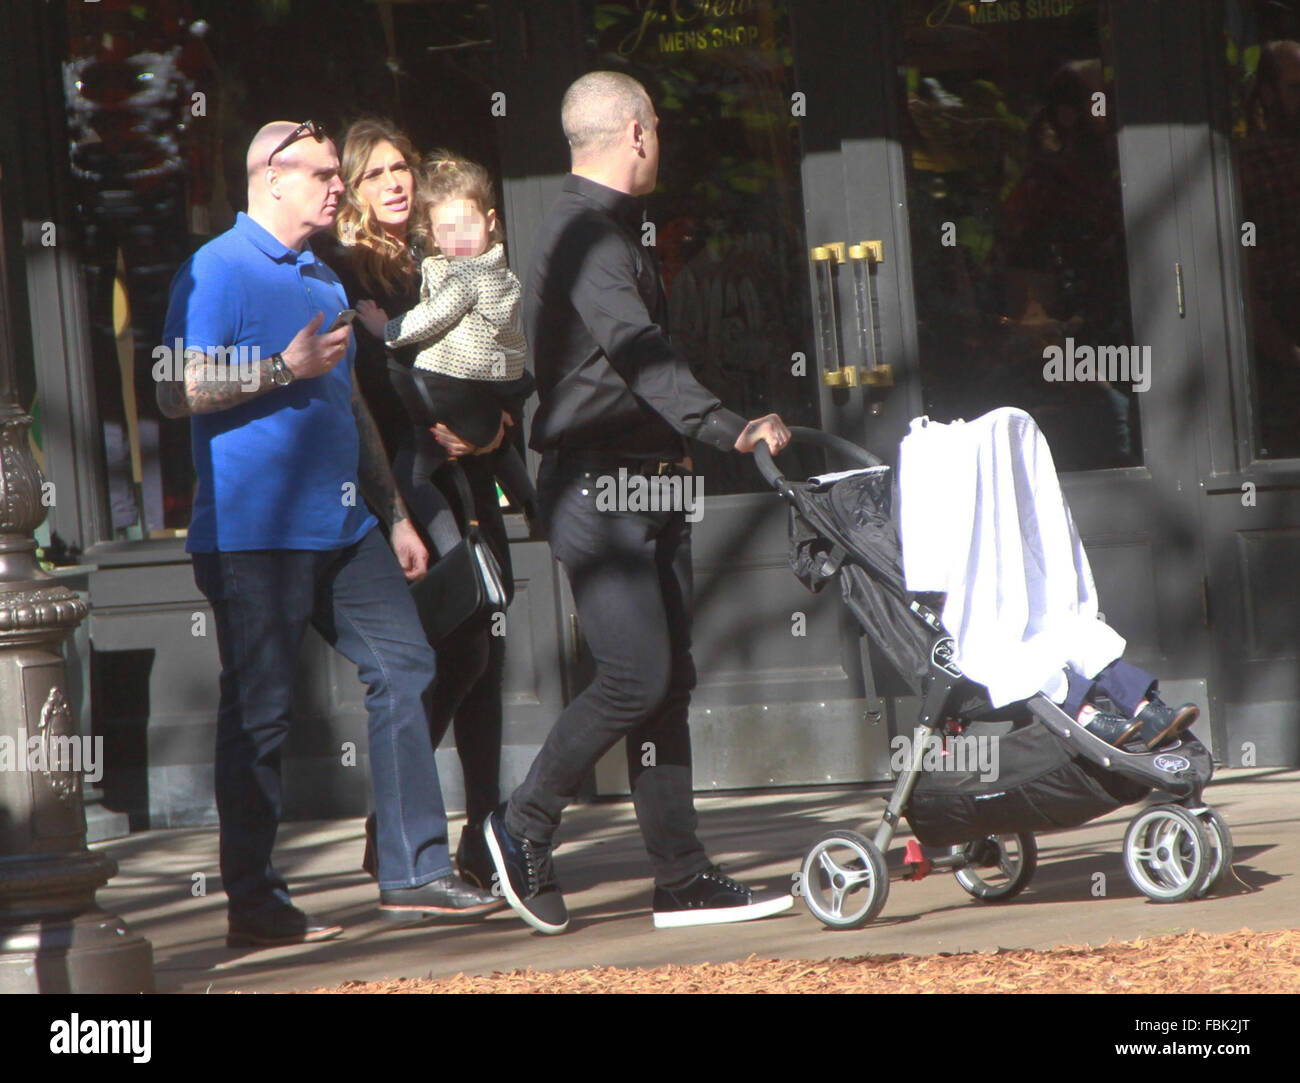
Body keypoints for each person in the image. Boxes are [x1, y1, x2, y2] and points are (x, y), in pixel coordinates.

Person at [158, 120, 498, 948]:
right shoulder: (217, 268)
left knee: (408, 663)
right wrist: (282, 367)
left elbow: (349, 406)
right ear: (271, 178)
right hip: (253, 536)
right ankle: (255, 903)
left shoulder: (320, 273)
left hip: (346, 528)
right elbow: (175, 389)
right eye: (320, 174)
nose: (336, 185)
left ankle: (413, 871)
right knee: (263, 712)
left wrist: (395, 516)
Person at [481, 71, 796, 934]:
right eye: (656, 124)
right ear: (636, 132)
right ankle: (523, 821)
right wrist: (727, 426)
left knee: (668, 683)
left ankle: (682, 874)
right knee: (635, 674)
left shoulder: (605, 231)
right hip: (599, 484)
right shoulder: (585, 236)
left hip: (647, 479)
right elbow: (639, 354)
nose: (661, 139)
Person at [322, 123, 528, 889]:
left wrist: (497, 422)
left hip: (471, 471)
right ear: (353, 187)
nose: (396, 182)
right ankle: (401, 821)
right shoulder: (344, 269)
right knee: (458, 643)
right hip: (410, 477)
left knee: (490, 646)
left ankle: (484, 830)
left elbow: (499, 347)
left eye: (402, 166)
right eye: (376, 174)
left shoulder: (442, 253)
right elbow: (364, 391)